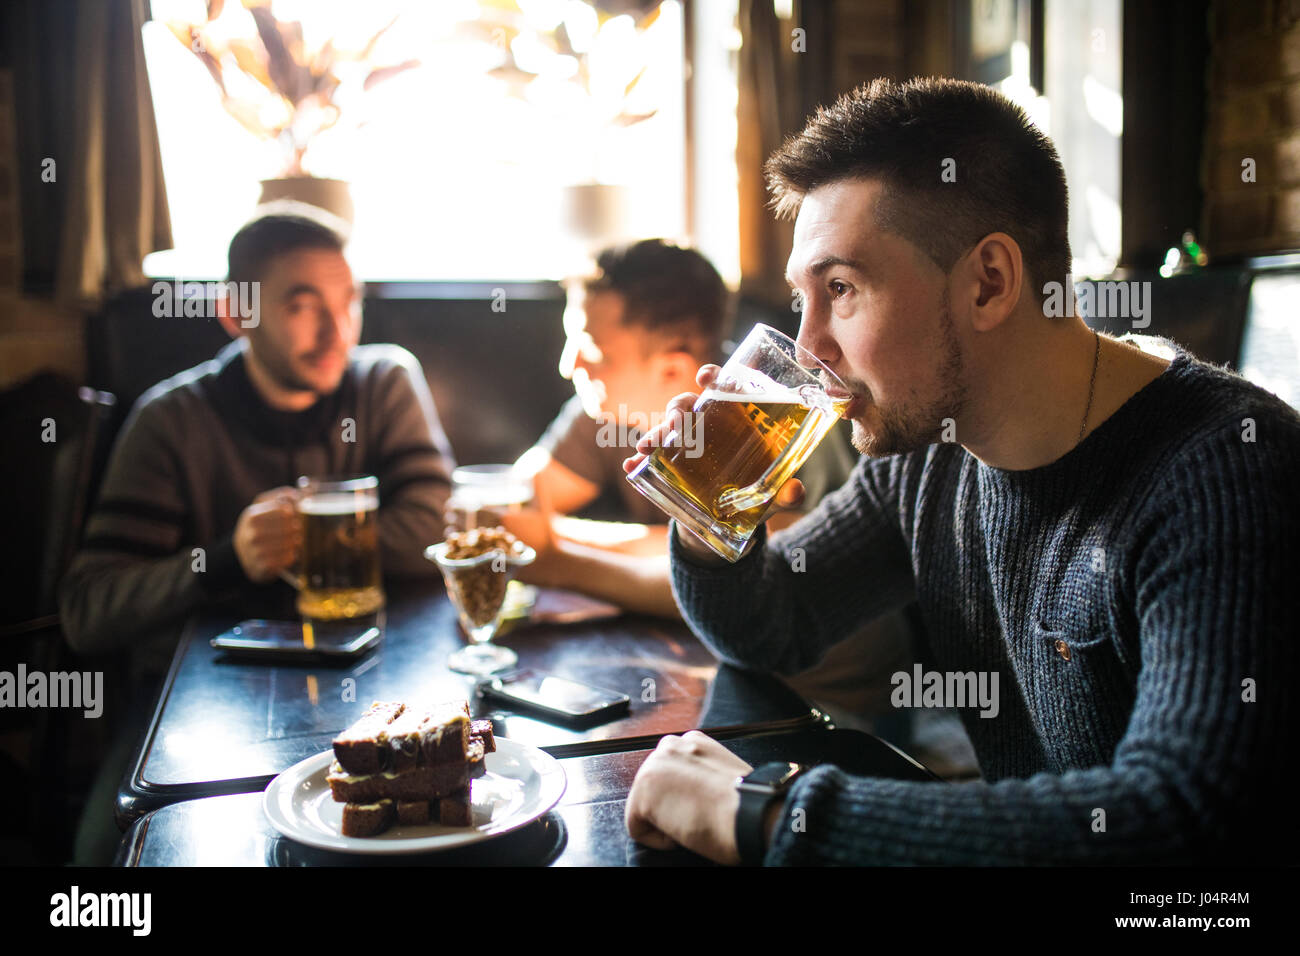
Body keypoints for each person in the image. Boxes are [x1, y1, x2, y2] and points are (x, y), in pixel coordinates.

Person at [623, 77, 1299, 865]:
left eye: (841, 290)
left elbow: (1180, 818)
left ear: (990, 282)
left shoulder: (1228, 475)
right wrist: (713, 517)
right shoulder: (938, 457)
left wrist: (770, 817)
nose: (808, 350)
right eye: (803, 299)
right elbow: (773, 626)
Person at [59, 210, 455, 861]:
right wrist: (225, 561)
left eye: (347, 301)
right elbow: (87, 612)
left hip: (379, 681)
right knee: (108, 856)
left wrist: (309, 540)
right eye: (303, 306)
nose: (337, 330)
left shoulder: (383, 383)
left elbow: (436, 529)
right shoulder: (171, 421)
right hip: (204, 705)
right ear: (235, 314)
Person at [506, 241, 929, 742]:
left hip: (840, 708)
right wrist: (548, 539)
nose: (568, 363)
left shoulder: (775, 424)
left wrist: (558, 558)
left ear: (670, 367)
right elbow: (514, 504)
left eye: (590, 348)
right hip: (715, 671)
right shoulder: (603, 404)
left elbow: (758, 578)